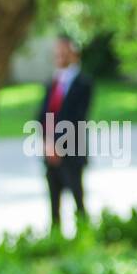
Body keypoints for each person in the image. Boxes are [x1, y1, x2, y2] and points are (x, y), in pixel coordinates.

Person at [38, 34, 93, 232]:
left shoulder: (83, 83)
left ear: (74, 53)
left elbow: (77, 118)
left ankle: (84, 237)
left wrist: (59, 146)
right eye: (57, 52)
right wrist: (47, 143)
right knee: (54, 202)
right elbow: (42, 116)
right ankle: (55, 239)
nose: (59, 56)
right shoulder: (53, 83)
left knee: (77, 198)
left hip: (71, 152)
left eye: (64, 51)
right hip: (50, 152)